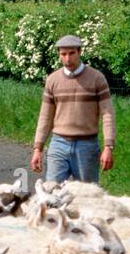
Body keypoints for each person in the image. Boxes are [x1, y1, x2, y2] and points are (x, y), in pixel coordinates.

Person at [30, 34, 115, 184]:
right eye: (63, 54)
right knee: (52, 192)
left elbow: (107, 114)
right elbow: (45, 117)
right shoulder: (53, 80)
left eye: (71, 53)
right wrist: (38, 148)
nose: (67, 59)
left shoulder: (97, 78)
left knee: (86, 196)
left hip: (86, 145)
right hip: (58, 143)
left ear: (79, 52)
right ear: (59, 55)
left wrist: (108, 146)